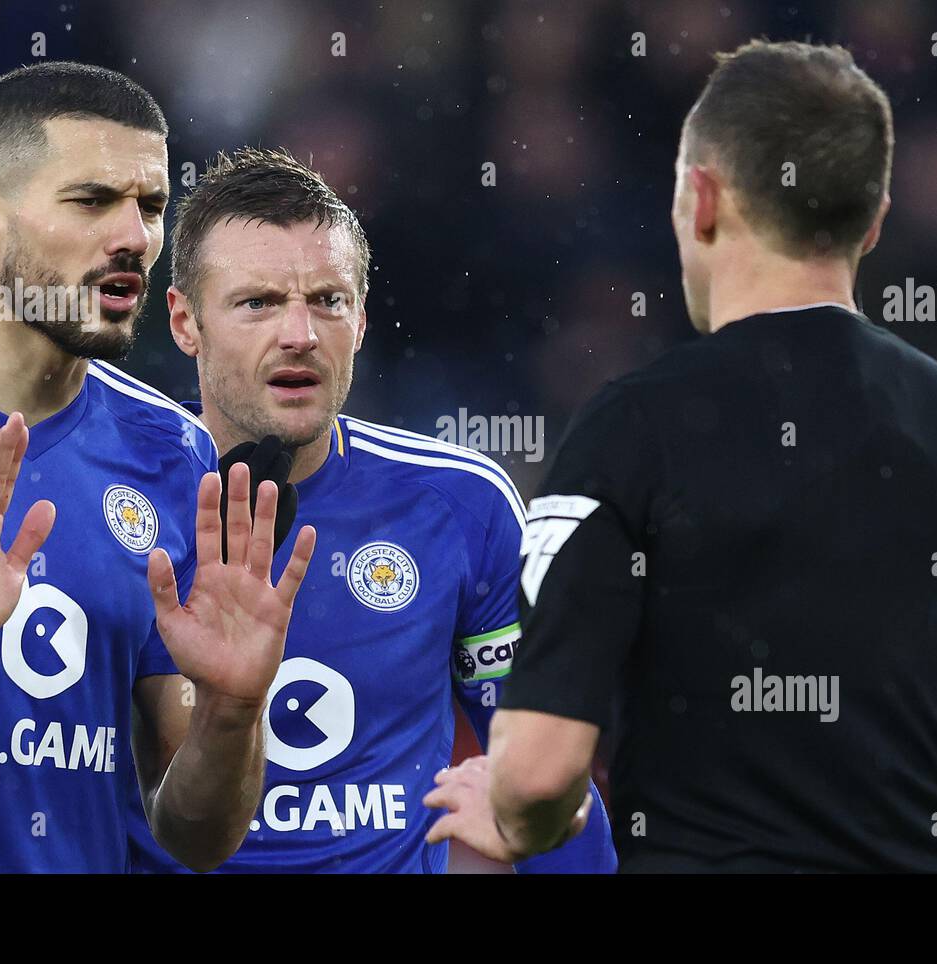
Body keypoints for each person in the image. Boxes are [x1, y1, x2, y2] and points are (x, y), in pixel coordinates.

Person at [423, 39, 937, 872]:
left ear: (701, 198)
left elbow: (538, 774)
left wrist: (520, 816)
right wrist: (885, 819)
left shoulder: (632, 432)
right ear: (876, 217)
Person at [0, 62, 315, 873]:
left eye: (152, 206)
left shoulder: (172, 450)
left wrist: (233, 713)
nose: (135, 237)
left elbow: (194, 837)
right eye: (92, 201)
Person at [127, 147, 616, 873]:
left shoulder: (462, 504)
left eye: (328, 300)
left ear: (359, 322)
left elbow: (541, 779)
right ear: (185, 321)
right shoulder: (116, 503)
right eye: (257, 302)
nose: (300, 333)